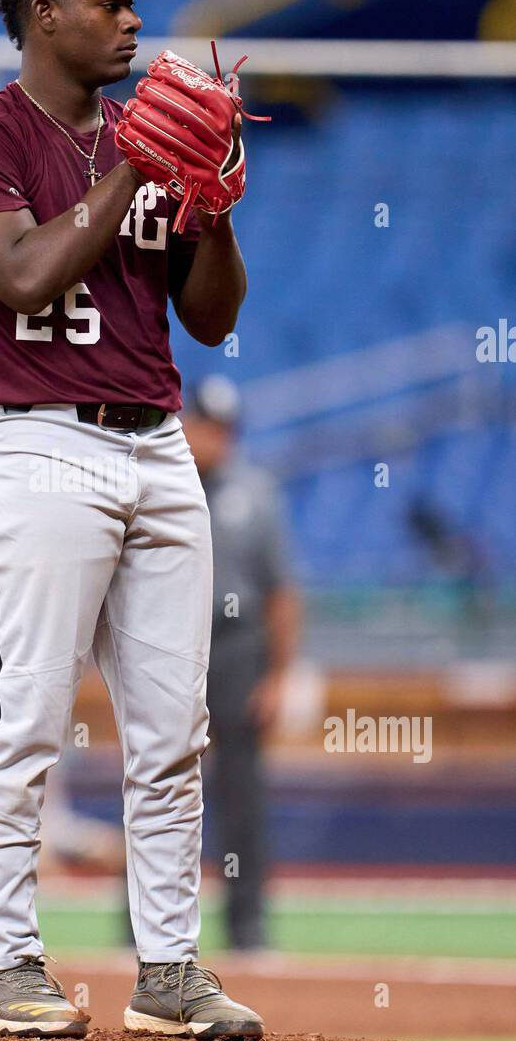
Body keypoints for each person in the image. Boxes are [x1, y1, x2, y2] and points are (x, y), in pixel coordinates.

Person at [0, 0, 264, 1041]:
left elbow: (211, 321)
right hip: (37, 442)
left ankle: (167, 970)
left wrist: (208, 209)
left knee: (174, 729)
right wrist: (129, 168)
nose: (130, 15)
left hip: (158, 443)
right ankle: (3, 963)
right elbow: (23, 276)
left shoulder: (146, 138)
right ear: (39, 11)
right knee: (26, 717)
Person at [182, 377, 302, 954]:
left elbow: (281, 592)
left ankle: (247, 928)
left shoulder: (255, 494)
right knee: (159, 783)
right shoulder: (159, 486)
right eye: (207, 426)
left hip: (236, 651)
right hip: (174, 647)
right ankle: (144, 932)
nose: (216, 440)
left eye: (226, 430)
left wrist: (279, 676)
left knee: (244, 795)